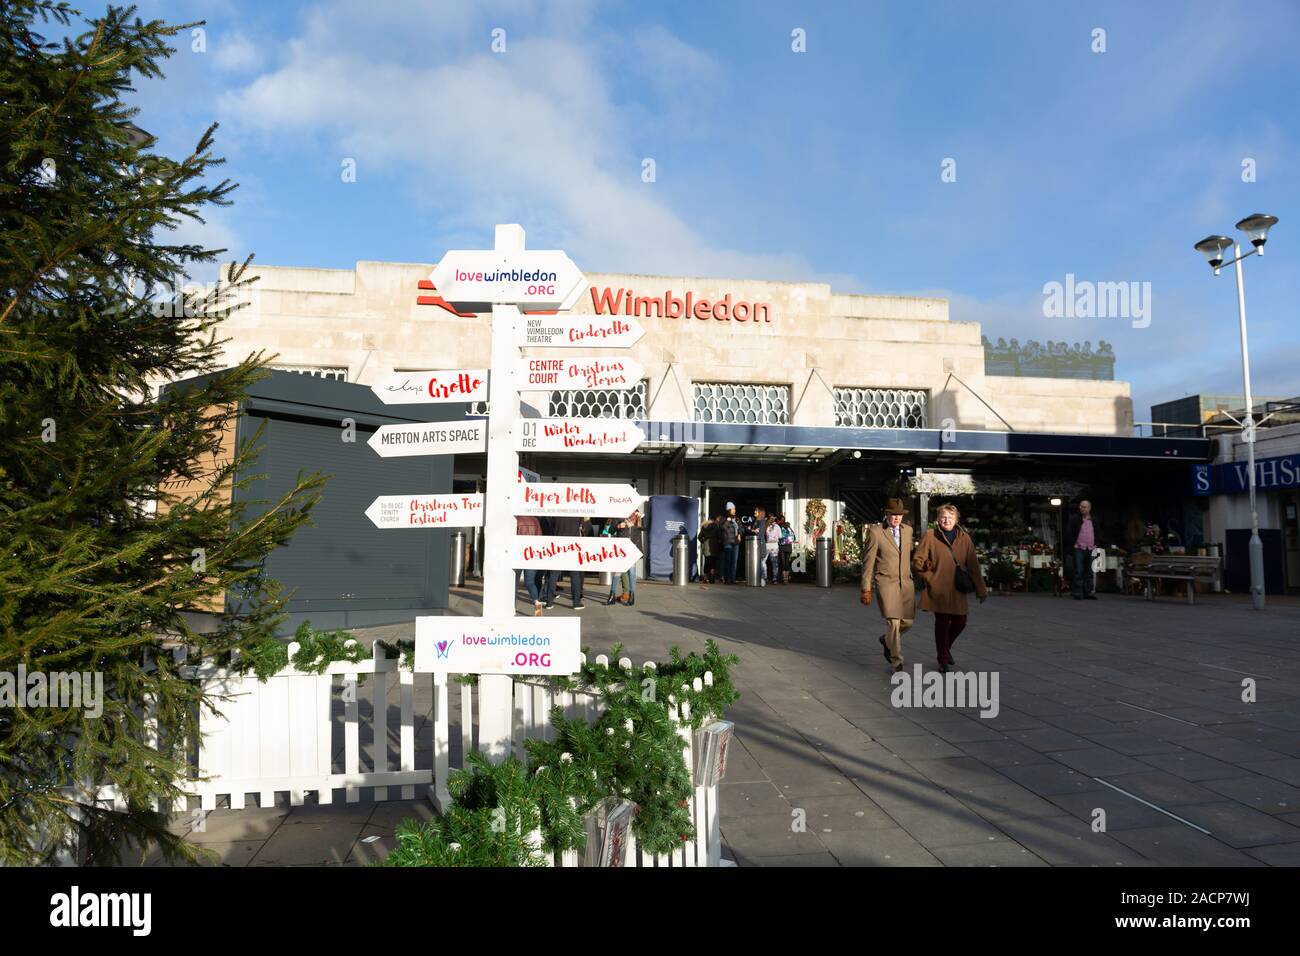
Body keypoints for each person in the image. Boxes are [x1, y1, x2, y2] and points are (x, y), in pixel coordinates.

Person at [912, 503, 988, 673]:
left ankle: (945, 649)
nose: (946, 520)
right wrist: (930, 577)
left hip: (957, 588)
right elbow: (917, 561)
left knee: (961, 622)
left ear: (956, 519)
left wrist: (981, 589)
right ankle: (943, 659)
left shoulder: (965, 538)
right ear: (938, 519)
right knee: (942, 624)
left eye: (950, 517)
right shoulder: (931, 536)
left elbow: (973, 565)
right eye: (943, 517)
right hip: (938, 589)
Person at [860, 498, 917, 672]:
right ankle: (896, 660)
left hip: (906, 583)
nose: (896, 518)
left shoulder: (908, 531)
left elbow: (908, 555)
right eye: (893, 514)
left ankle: (887, 640)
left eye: (899, 515)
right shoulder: (876, 532)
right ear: (887, 514)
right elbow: (868, 561)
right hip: (885, 582)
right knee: (894, 621)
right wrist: (866, 587)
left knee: (907, 622)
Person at [546, 515, 588, 610]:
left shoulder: (557, 513)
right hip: (572, 546)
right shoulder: (577, 512)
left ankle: (549, 602)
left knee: (553, 575)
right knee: (575, 575)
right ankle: (576, 603)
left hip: (558, 545)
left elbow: (552, 526)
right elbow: (585, 525)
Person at [1066, 499, 1099, 600]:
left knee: (1089, 571)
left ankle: (1088, 592)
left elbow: (1098, 533)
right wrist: (1073, 544)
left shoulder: (1094, 520)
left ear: (1089, 508)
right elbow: (1069, 533)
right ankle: (1077, 591)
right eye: (1081, 506)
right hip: (1079, 547)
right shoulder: (1075, 519)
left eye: (1084, 507)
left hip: (1091, 547)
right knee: (1079, 570)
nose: (1082, 509)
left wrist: (1096, 544)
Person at [515, 515, 546, 616]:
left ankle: (512, 607)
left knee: (514, 583)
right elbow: (540, 538)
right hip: (531, 554)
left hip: (517, 554)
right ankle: (537, 602)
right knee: (530, 582)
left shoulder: (515, 520)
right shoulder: (535, 520)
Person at [720, 503, 741, 584]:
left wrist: (739, 533)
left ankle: (733, 578)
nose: (735, 510)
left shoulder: (736, 518)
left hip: (735, 542)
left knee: (734, 562)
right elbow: (722, 528)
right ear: (729, 509)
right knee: (727, 561)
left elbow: (741, 528)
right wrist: (727, 521)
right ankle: (727, 579)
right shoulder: (723, 518)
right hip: (727, 542)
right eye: (733, 509)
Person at [698, 515, 723, 583]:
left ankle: (705, 578)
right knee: (713, 562)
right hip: (714, 546)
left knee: (707, 562)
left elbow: (699, 537)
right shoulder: (716, 526)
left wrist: (704, 541)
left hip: (706, 546)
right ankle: (712, 576)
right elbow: (719, 536)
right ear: (714, 520)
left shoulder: (704, 526)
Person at [777, 514, 796, 584]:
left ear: (779, 520)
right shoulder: (789, 527)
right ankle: (786, 579)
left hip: (782, 546)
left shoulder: (779, 527)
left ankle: (784, 578)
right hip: (789, 546)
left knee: (782, 562)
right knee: (787, 562)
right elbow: (794, 537)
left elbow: (778, 536)